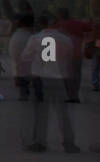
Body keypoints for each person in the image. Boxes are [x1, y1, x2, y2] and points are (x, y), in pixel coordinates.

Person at [25, 13, 78, 152]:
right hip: (59, 78)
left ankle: (39, 142)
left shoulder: (35, 38)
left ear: (41, 24)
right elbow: (69, 57)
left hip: (40, 78)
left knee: (41, 112)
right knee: (62, 112)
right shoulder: (65, 39)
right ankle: (69, 142)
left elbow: (25, 56)